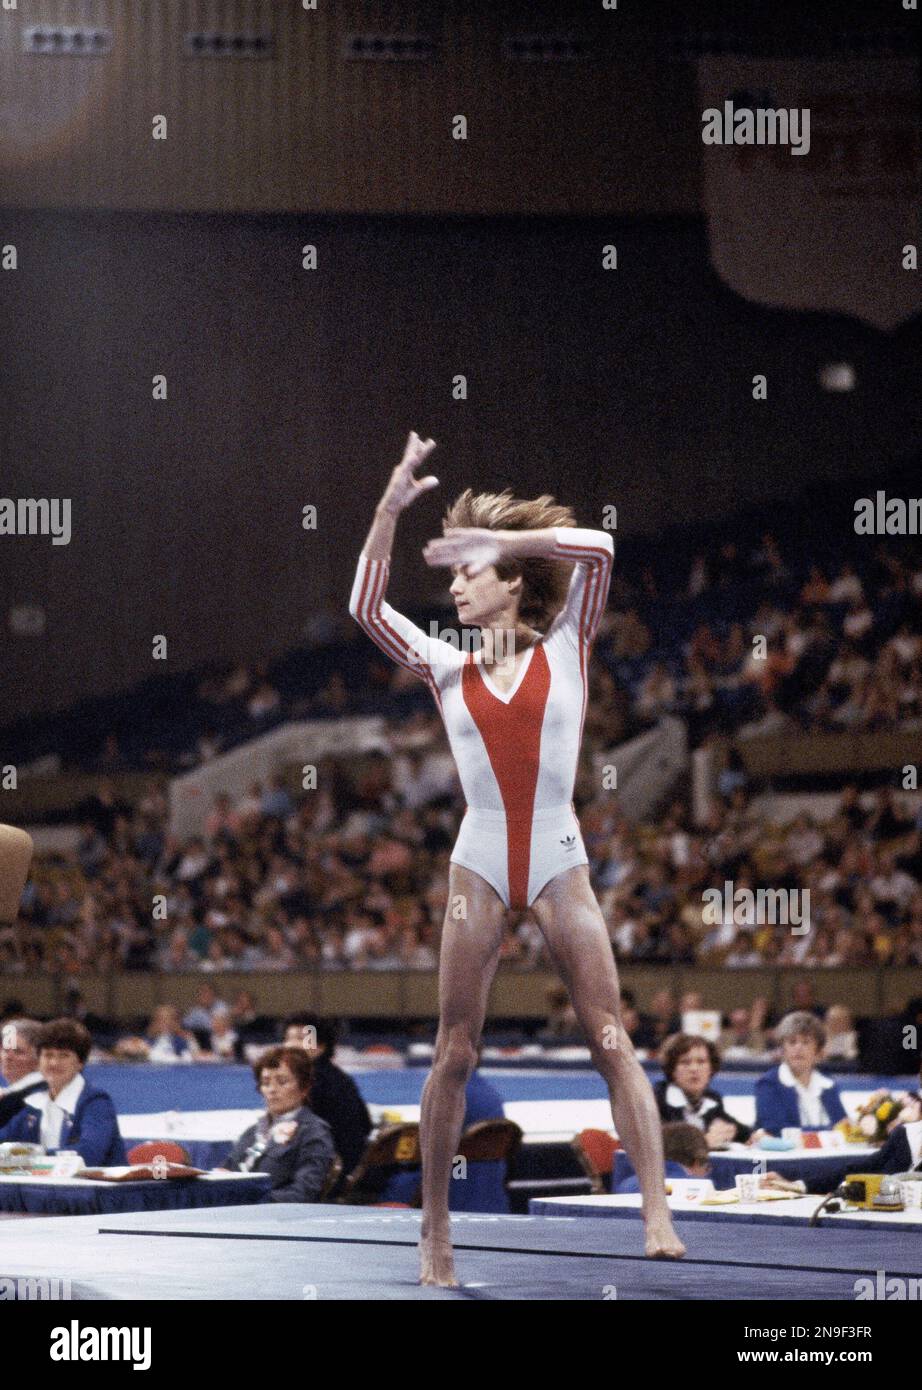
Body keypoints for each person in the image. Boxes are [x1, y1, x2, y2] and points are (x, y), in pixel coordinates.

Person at [349, 430, 684, 1283]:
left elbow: (599, 546)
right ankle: (434, 1232)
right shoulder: (444, 665)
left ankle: (655, 1212)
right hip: (482, 855)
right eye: (454, 572)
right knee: (454, 1050)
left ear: (510, 581)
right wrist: (390, 507)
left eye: (469, 570)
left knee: (611, 1035)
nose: (455, 582)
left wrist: (511, 540)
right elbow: (364, 609)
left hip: (559, 852)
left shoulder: (568, 641)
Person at [0, 1019, 126, 1166]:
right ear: (38, 1061)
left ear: (80, 1063)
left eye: (63, 1056)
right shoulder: (32, 1102)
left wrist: (34, 1157)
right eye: (48, 1055)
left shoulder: (95, 1102)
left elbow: (89, 1154)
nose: (53, 1063)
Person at [223, 1046, 335, 1202]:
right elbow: (226, 1170)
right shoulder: (253, 1131)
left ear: (304, 1088)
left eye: (282, 1082)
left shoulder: (314, 1131)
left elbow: (305, 1191)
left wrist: (253, 1200)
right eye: (265, 1082)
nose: (272, 1089)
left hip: (273, 1217)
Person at [282, 1013, 372, 1183]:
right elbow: (367, 1125)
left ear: (320, 1046)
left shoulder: (309, 1084)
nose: (291, 1045)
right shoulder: (342, 1077)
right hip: (352, 1171)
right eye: (288, 1038)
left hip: (328, 1175)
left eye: (301, 1039)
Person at [654, 1034, 758, 1145]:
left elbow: (740, 1131)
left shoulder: (712, 1100)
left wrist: (753, 1136)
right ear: (672, 1070)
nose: (694, 1069)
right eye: (685, 1062)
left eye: (701, 1062)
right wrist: (704, 1143)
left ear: (711, 1069)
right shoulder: (657, 1100)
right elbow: (660, 1142)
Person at [755, 1011, 848, 1135]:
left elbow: (843, 1126)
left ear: (818, 1051)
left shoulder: (828, 1084)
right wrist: (830, 1131)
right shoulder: (768, 1084)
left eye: (806, 1042)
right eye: (792, 1042)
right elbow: (777, 1131)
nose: (798, 1048)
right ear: (783, 1050)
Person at [615, 1123, 712, 1194]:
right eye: (707, 1168)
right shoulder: (699, 1190)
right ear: (697, 1162)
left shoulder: (626, 1185)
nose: (706, 1173)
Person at [0, 1017, 46, 1127]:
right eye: (5, 1050)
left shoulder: (39, 1094)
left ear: (39, 1059)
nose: (8, 1057)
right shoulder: (11, 1094)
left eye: (18, 1052)